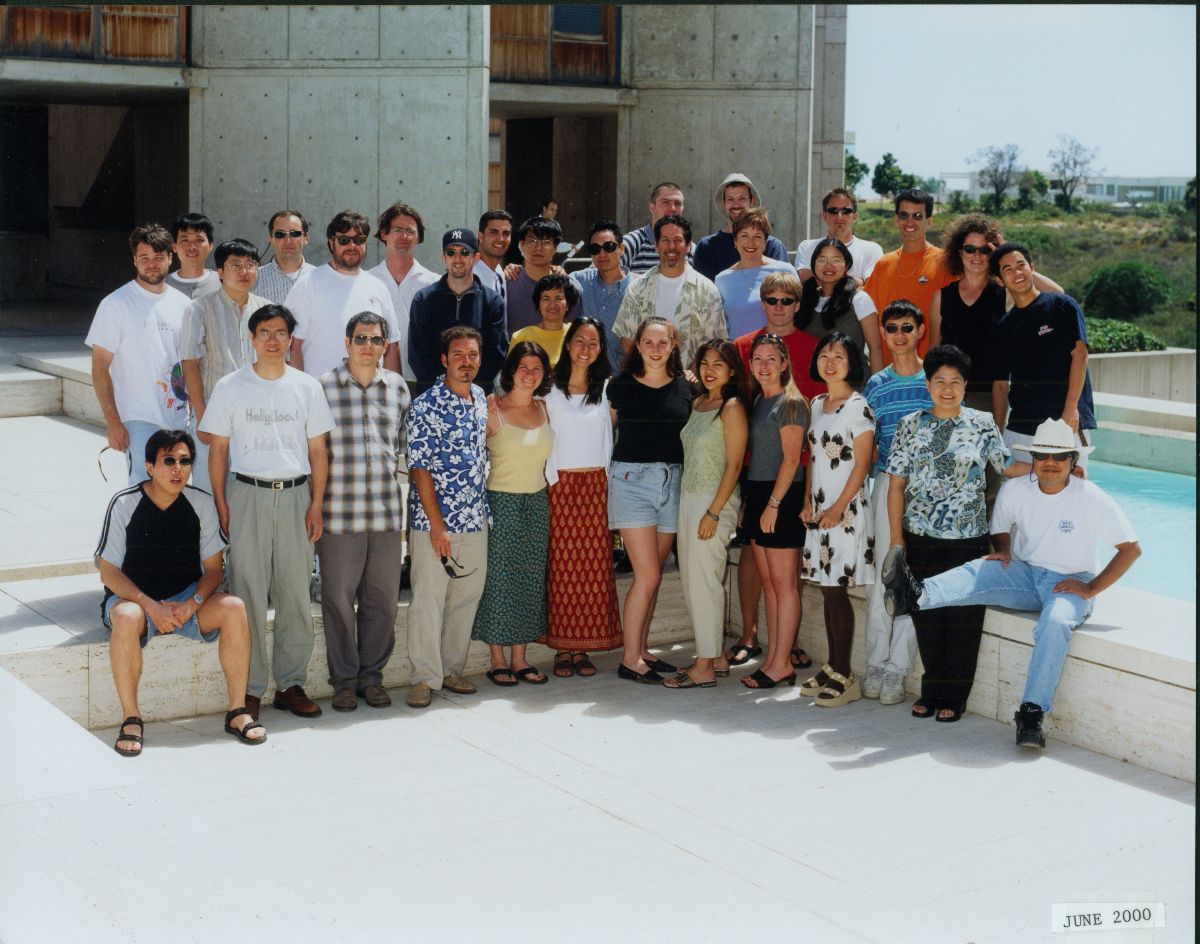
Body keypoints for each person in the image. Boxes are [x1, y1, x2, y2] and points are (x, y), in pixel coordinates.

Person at [883, 418, 1140, 749]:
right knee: (981, 569)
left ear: (1072, 460)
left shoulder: (1090, 496)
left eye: (1059, 456)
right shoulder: (1016, 489)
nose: (1050, 462)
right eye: (1042, 455)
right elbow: (999, 527)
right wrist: (1003, 549)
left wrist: (1090, 589)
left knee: (1055, 622)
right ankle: (915, 595)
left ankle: (1031, 714)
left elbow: (1131, 549)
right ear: (1032, 457)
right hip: (1026, 574)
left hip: (1071, 581)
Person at [200, 304, 335, 720]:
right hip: (247, 494)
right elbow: (218, 450)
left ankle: (291, 684)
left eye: (280, 333)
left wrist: (316, 503)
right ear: (251, 338)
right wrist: (222, 503)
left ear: (291, 339)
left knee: (295, 591)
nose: (272, 340)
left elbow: (318, 451)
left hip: (295, 496)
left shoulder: (307, 387)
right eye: (264, 332)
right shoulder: (230, 386)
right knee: (248, 593)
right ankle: (251, 686)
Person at [96, 429, 265, 755]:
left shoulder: (201, 503)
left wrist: (193, 603)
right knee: (126, 616)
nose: (178, 469)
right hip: (136, 599)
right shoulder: (124, 503)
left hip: (187, 596)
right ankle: (131, 718)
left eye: (185, 462)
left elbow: (214, 569)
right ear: (149, 467)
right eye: (168, 461)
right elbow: (108, 572)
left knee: (234, 607)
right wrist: (151, 607)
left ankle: (237, 711)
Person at [884, 344, 1029, 723]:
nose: (947, 389)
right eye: (940, 381)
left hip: (969, 542)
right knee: (928, 617)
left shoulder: (982, 423)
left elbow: (1007, 466)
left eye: (955, 382)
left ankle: (955, 697)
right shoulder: (909, 425)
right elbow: (896, 486)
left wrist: (1053, 464)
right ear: (928, 385)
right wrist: (897, 538)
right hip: (920, 538)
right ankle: (932, 691)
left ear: (965, 386)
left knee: (963, 621)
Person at [727, 272, 822, 670]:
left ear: (797, 304)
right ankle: (752, 636)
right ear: (762, 303)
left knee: (785, 574)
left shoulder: (813, 348)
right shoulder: (742, 347)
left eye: (787, 300)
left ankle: (785, 649)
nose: (779, 306)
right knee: (758, 563)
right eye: (772, 300)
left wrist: (793, 493)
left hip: (792, 473)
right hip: (755, 474)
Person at [317, 311, 410, 711]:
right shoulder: (323, 387)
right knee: (338, 602)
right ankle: (343, 681)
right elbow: (314, 453)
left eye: (375, 339)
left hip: (386, 515)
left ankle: (371, 678)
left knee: (383, 602)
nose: (368, 346)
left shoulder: (398, 388)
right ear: (347, 342)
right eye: (360, 338)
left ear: (385, 345)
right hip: (340, 514)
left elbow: (403, 448)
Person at [403, 326, 490, 708]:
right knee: (428, 601)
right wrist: (437, 526)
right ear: (444, 360)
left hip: (475, 519)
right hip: (434, 524)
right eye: (458, 355)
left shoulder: (481, 398)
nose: (466, 362)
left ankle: (452, 670)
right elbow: (419, 469)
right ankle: (424, 678)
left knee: (464, 599)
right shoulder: (425, 406)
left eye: (472, 354)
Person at [607, 317, 694, 683]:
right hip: (632, 482)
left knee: (653, 575)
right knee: (648, 574)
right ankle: (630, 660)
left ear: (673, 345)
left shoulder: (686, 386)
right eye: (648, 342)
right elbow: (606, 431)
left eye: (663, 342)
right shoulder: (620, 385)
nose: (656, 349)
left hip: (673, 483)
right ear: (637, 346)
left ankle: (641, 649)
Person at [664, 340, 748, 689]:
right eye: (705, 363)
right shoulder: (698, 402)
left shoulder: (732, 407)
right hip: (689, 497)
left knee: (705, 583)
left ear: (732, 370)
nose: (710, 370)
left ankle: (704, 666)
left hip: (714, 502)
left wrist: (713, 513)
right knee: (693, 581)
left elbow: (734, 465)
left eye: (718, 364)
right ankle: (716, 657)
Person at [860, 300, 932, 705]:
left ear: (921, 330)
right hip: (887, 485)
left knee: (915, 578)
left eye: (907, 326)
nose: (900, 334)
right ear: (883, 335)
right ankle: (875, 663)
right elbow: (866, 446)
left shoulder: (934, 380)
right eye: (892, 328)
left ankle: (897, 670)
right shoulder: (876, 385)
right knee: (884, 576)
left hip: (928, 490)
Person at [799, 333, 876, 707]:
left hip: (845, 513)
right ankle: (832, 666)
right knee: (828, 590)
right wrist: (807, 502)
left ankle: (845, 674)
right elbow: (813, 460)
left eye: (839, 356)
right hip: (820, 511)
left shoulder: (859, 408)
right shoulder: (816, 404)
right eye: (825, 355)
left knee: (836, 590)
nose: (830, 363)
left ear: (852, 363)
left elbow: (862, 466)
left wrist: (836, 509)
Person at [543, 318, 623, 677]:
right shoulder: (548, 388)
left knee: (592, 570)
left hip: (595, 487)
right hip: (559, 486)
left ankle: (583, 648)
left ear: (601, 349)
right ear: (568, 343)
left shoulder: (607, 388)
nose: (585, 349)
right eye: (579, 340)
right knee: (561, 570)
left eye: (593, 343)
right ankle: (563, 648)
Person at [471, 342, 554, 686]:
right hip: (501, 503)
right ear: (511, 371)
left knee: (529, 581)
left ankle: (520, 658)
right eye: (523, 367)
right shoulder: (492, 409)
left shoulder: (545, 408)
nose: (530, 374)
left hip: (537, 501)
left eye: (537, 368)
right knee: (499, 582)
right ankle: (497, 660)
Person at [87, 223, 190, 487]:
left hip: (179, 418)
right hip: (138, 419)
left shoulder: (184, 305)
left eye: (158, 257)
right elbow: (100, 368)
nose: (151, 264)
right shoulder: (115, 304)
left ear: (171, 258)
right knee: (145, 492)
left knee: (176, 491)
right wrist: (113, 422)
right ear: (134, 260)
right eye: (144, 258)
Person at [738, 333, 810, 691]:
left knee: (785, 586)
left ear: (784, 364)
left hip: (781, 497)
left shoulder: (792, 403)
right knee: (769, 585)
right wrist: (750, 504)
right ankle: (774, 659)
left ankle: (782, 664)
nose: (764, 365)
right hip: (758, 493)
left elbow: (792, 460)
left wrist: (773, 505)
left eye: (771, 359)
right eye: (758, 359)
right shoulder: (759, 401)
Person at [990, 243, 1096, 465]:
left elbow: (1080, 356)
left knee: (1072, 484)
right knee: (1016, 486)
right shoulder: (1003, 327)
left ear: (1032, 268)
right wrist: (998, 432)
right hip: (1020, 428)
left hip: (1066, 423)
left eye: (1021, 265)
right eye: (1008, 269)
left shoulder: (1062, 306)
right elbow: (1000, 384)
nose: (1017, 273)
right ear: (999, 280)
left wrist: (1071, 409)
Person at [179, 237, 269, 492]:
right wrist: (201, 416)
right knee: (209, 490)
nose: (244, 271)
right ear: (219, 272)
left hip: (256, 413)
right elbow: (189, 364)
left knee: (249, 491)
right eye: (235, 265)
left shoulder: (267, 310)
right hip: (214, 411)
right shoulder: (199, 309)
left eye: (250, 265)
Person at [286, 210, 402, 377]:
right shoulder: (307, 284)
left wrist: (394, 389)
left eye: (359, 240)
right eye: (344, 240)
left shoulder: (378, 287)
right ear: (331, 243)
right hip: (319, 391)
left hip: (370, 391)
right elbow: (292, 347)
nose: (352, 246)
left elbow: (391, 345)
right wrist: (300, 390)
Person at [612, 214, 727, 368]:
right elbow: (627, 341)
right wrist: (652, 372)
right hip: (647, 378)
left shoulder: (708, 291)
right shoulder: (637, 288)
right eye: (665, 240)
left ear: (688, 246)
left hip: (691, 379)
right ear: (656, 246)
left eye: (678, 240)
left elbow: (715, 343)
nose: (671, 246)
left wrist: (690, 376)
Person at [407, 228, 508, 394]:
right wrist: (443, 392)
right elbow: (417, 355)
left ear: (476, 257)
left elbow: (495, 355)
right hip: (433, 396)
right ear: (444, 257)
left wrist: (468, 391)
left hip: (476, 397)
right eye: (451, 252)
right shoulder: (423, 299)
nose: (458, 258)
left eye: (464, 252)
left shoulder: (492, 302)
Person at [863, 188, 953, 361]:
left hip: (930, 368)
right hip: (889, 368)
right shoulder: (883, 264)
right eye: (904, 215)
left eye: (917, 216)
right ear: (896, 220)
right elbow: (868, 315)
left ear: (929, 221)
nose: (910, 221)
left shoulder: (945, 263)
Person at [926, 215, 1005, 412]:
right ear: (959, 252)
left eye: (985, 250)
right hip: (948, 395)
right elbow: (934, 354)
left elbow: (1056, 293)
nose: (977, 255)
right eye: (970, 249)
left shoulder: (1005, 295)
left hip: (990, 395)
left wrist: (1007, 256)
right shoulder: (941, 297)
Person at [368, 201, 439, 384]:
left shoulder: (434, 284)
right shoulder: (367, 282)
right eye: (397, 230)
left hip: (423, 381)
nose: (404, 236)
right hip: (376, 380)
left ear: (418, 237)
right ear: (384, 234)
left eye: (410, 231)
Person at [796, 237, 883, 376]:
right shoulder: (804, 301)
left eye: (836, 260)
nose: (828, 266)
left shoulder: (859, 300)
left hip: (854, 385)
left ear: (846, 265)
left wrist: (876, 386)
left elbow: (875, 349)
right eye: (822, 260)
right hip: (812, 385)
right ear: (813, 265)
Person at [714, 206, 796, 339]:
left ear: (765, 242)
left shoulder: (785, 271)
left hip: (778, 349)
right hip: (737, 350)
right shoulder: (722, 280)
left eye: (757, 236)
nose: (750, 242)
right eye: (744, 235)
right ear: (735, 241)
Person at [693, 172, 789, 282]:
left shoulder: (773, 246)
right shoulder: (707, 246)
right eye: (730, 199)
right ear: (724, 203)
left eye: (742, 198)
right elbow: (702, 289)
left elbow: (784, 287)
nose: (736, 205)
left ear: (752, 201)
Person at [571, 219, 633, 374]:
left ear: (622, 249)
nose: (602, 254)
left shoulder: (638, 289)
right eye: (595, 249)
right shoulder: (578, 281)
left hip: (625, 380)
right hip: (585, 379)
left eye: (609, 246)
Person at [504, 216, 581, 333]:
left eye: (546, 242)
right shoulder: (507, 284)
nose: (538, 248)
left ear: (555, 247)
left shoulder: (570, 288)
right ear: (522, 245)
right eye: (532, 241)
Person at [796, 187, 883, 284]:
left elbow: (872, 287)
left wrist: (824, 280)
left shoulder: (871, 250)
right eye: (833, 210)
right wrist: (857, 282)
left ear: (855, 216)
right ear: (824, 216)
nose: (839, 216)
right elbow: (807, 282)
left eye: (846, 211)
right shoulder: (807, 247)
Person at [622, 181, 694, 274]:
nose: (673, 208)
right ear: (652, 208)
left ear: (682, 209)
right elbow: (609, 276)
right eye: (665, 202)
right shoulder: (630, 243)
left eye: (677, 203)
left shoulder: (691, 249)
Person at [508, 273, 578, 367]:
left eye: (558, 298)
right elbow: (510, 372)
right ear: (539, 306)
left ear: (568, 304)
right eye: (546, 299)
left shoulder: (576, 334)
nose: (552, 304)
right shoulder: (521, 337)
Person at [255, 210, 315, 304]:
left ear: (306, 238)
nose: (288, 241)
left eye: (295, 234)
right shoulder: (254, 279)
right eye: (280, 234)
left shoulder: (320, 279)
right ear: (271, 239)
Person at [166, 212, 221, 299]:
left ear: (210, 246)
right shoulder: (163, 285)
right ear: (174, 247)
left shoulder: (224, 282)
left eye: (199, 240)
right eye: (185, 240)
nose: (192, 247)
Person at [474, 209, 514, 309]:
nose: (501, 239)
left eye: (506, 233)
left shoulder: (499, 271)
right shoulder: (470, 276)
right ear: (480, 236)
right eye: (493, 232)